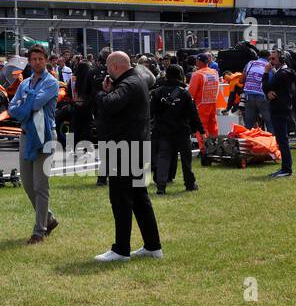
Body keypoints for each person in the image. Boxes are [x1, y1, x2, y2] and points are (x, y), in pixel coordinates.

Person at [93, 51, 162, 262]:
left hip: (124, 149)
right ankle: (152, 246)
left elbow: (107, 105)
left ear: (114, 67)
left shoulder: (128, 84)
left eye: (107, 67)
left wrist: (101, 93)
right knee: (140, 198)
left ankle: (121, 249)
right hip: (135, 147)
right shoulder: (137, 80)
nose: (106, 71)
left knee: (121, 199)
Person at [7, 46, 61, 243]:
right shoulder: (26, 83)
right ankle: (49, 218)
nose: (37, 62)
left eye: (40, 59)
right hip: (25, 135)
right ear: (29, 61)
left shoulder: (51, 83)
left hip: (44, 136)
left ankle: (39, 231)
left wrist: (24, 103)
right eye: (34, 59)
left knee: (40, 185)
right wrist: (24, 105)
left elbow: (35, 105)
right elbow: (13, 109)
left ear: (46, 60)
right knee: (28, 184)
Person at [150, 64, 202, 194]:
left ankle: (161, 187)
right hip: (182, 131)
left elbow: (150, 112)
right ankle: (189, 184)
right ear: (180, 75)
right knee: (186, 159)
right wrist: (200, 130)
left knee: (163, 157)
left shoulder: (156, 92)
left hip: (163, 131)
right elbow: (193, 114)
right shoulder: (185, 93)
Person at [263, 50, 296, 179]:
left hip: (280, 108)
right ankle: (285, 167)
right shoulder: (284, 72)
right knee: (282, 139)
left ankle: (286, 168)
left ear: (281, 59)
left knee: (282, 139)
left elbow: (265, 86)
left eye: (273, 59)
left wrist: (266, 73)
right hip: (282, 107)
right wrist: (268, 91)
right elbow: (268, 89)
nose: (271, 62)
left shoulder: (282, 73)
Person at [188, 53, 221, 143]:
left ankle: (204, 150)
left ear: (198, 62)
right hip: (213, 103)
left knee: (201, 127)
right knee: (213, 126)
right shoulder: (214, 72)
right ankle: (214, 146)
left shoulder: (197, 74)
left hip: (200, 105)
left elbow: (191, 93)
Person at [241, 50, 271, 130]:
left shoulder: (250, 63)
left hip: (249, 95)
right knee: (269, 122)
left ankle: (248, 140)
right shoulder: (269, 65)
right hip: (262, 95)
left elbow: (242, 79)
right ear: (268, 57)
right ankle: (272, 140)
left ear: (258, 56)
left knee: (248, 123)